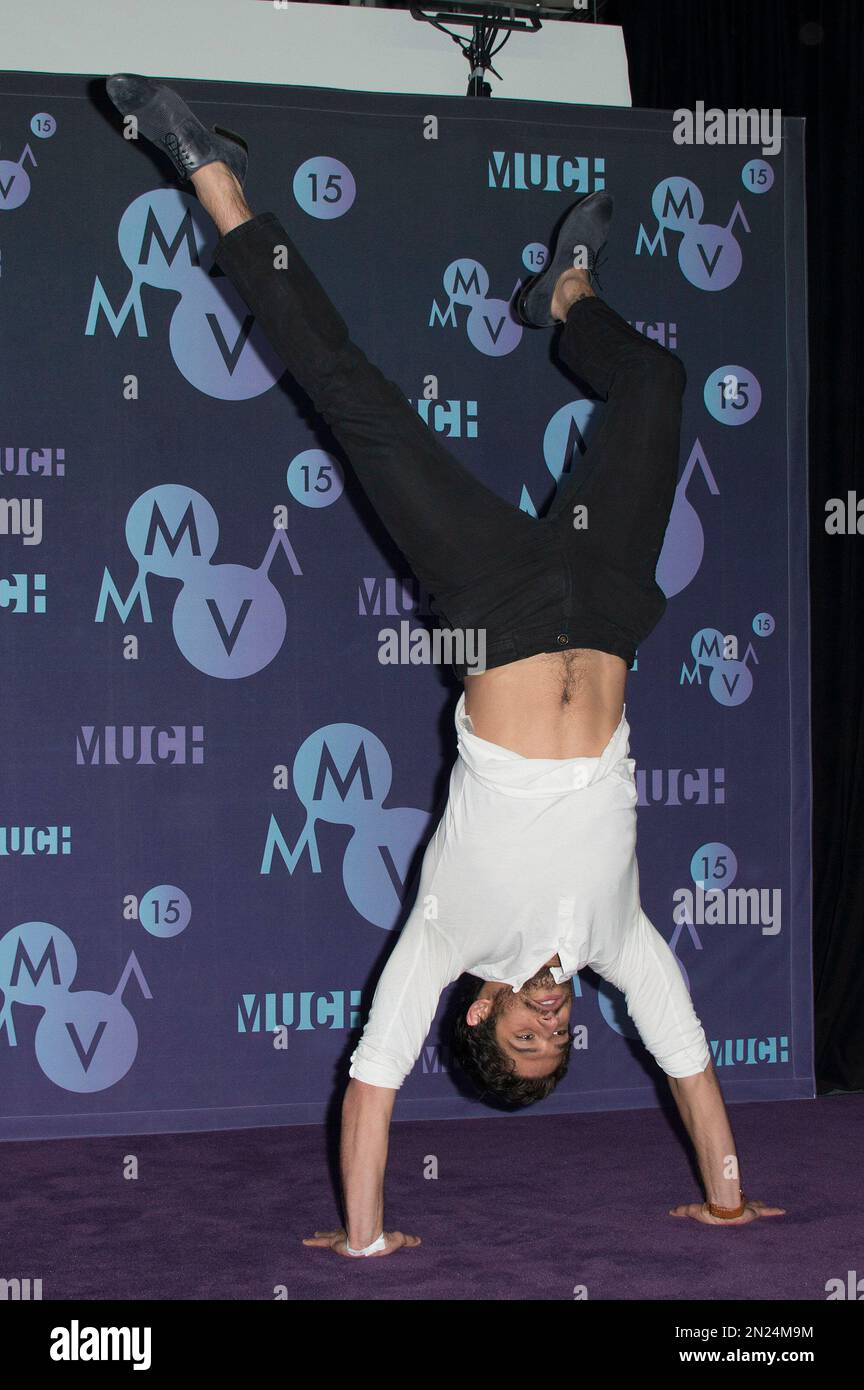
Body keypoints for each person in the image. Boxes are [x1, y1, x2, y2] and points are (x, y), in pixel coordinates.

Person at [105, 74, 786, 1257]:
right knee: (661, 384)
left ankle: (205, 169)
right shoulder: (624, 943)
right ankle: (567, 295)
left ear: (478, 1015)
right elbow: (694, 1069)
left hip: (495, 606)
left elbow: (368, 1091)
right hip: (609, 608)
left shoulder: (442, 937)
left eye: (528, 1037)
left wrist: (365, 1239)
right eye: (560, 1040)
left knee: (354, 400)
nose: (554, 1021)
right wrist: (727, 1199)